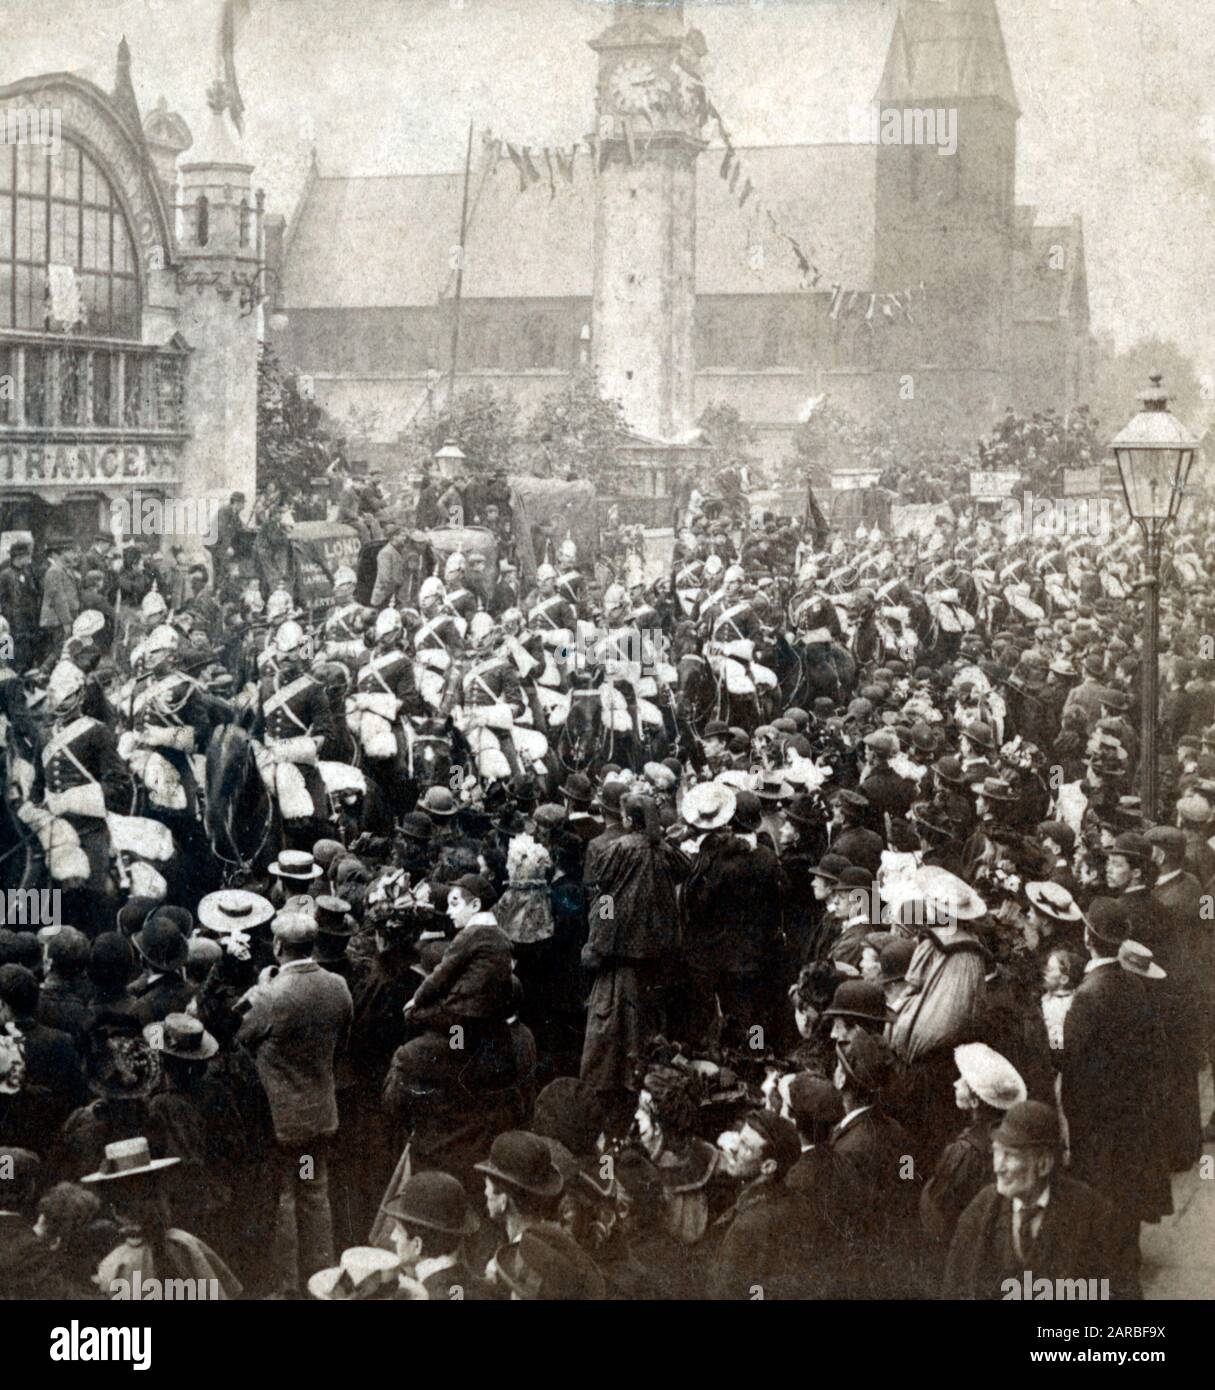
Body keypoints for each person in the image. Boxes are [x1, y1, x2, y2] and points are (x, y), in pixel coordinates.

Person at [236, 912, 353, 1296]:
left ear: (277, 947)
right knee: (315, 1193)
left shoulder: (270, 997)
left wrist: (257, 988)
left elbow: (241, 1038)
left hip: (282, 1123)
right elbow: (343, 1039)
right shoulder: (338, 987)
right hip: (320, 1117)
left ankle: (287, 1288)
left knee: (286, 1199)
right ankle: (323, 1281)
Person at [943, 1100, 1133, 1300]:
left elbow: (1122, 1292)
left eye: (1010, 1155)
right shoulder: (983, 1207)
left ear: (1044, 1163)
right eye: (997, 1152)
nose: (998, 1167)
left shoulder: (1092, 1213)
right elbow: (955, 1287)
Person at [382, 1169, 489, 1300]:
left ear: (417, 1245)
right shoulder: (485, 1286)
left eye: (398, 1231)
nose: (392, 1237)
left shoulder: (421, 1296)